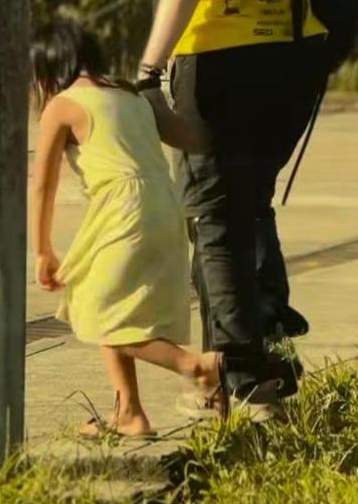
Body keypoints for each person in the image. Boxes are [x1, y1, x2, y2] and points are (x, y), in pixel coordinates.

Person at [139, 0, 338, 417]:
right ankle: (250, 361)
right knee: (249, 205)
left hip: (220, 63)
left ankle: (246, 378)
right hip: (293, 63)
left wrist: (149, 68)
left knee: (214, 217)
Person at [28, 21, 222, 436]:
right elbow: (185, 137)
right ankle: (129, 412)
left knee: (98, 310)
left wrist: (42, 250)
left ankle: (195, 367)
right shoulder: (131, 96)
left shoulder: (61, 106)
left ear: (46, 68)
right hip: (165, 203)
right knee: (108, 300)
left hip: (124, 209)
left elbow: (42, 184)